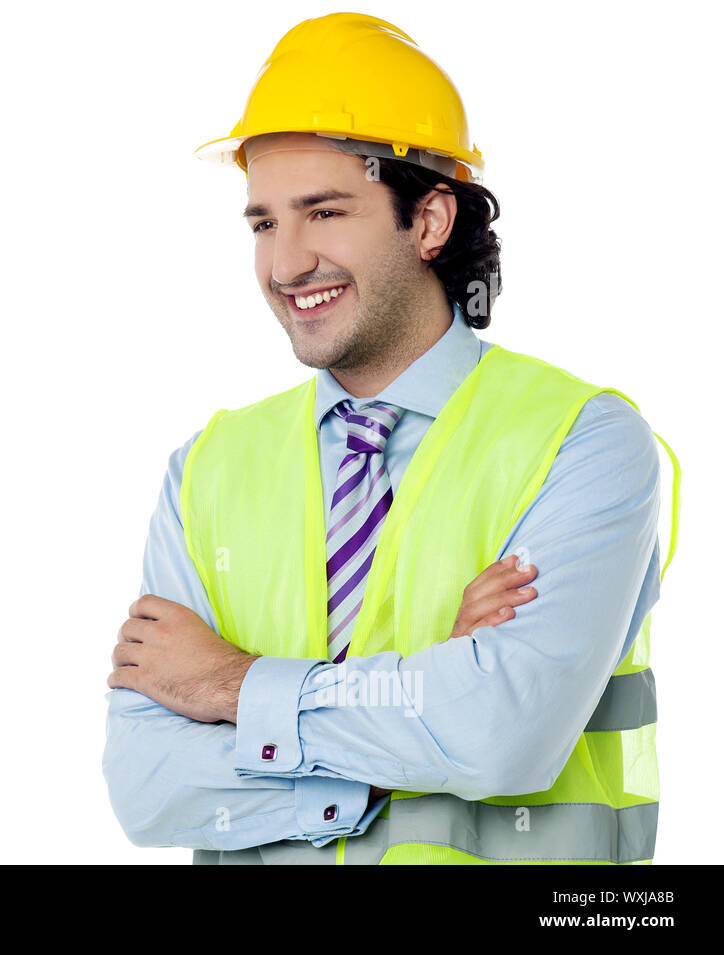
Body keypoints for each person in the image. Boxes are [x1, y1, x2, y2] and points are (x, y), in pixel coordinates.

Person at [101, 12, 680, 864]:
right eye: (263, 223)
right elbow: (148, 786)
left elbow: (500, 737)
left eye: (324, 212)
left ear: (431, 221)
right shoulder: (206, 471)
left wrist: (230, 686)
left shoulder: (582, 441)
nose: (286, 263)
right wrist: (422, 699)